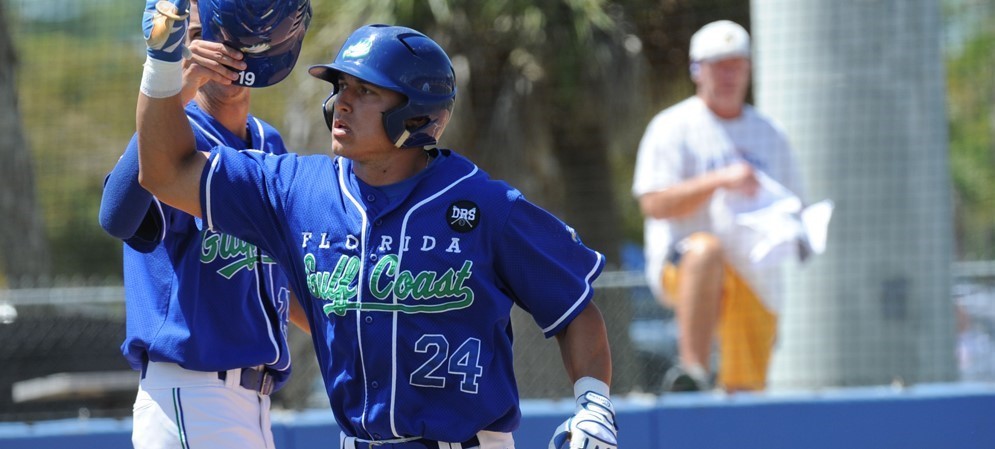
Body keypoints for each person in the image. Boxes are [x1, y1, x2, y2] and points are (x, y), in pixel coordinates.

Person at [133, 3, 618, 447]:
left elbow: (574, 308)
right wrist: (164, 67)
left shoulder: (485, 205)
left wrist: (593, 402)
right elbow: (163, 173)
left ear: (417, 115)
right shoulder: (298, 189)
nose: (342, 103)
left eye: (365, 91)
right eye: (341, 88)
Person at [99, 0, 311, 447]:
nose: (220, 50)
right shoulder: (170, 143)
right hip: (189, 393)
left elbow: (280, 284)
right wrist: (170, 88)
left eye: (231, 36)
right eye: (200, 36)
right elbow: (116, 217)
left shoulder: (268, 142)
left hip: (256, 402)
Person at [632, 20, 804, 393]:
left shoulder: (771, 133)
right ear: (697, 70)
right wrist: (720, 180)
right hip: (685, 265)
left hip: (755, 273)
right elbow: (654, 202)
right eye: (719, 65)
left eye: (737, 65)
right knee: (706, 250)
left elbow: (795, 205)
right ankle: (692, 372)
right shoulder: (672, 126)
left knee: (746, 395)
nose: (729, 75)